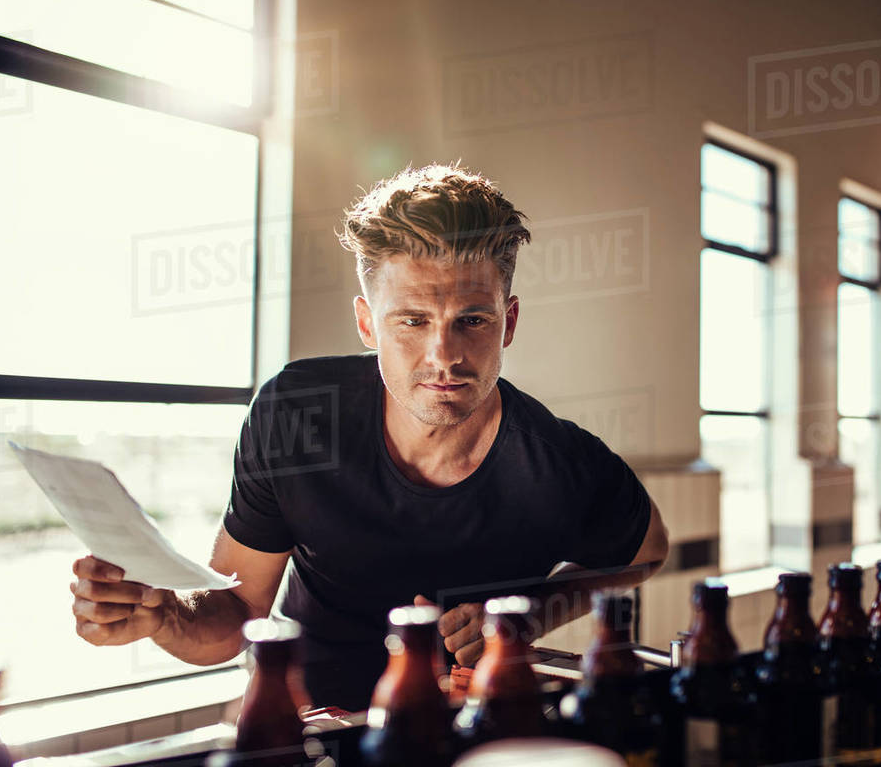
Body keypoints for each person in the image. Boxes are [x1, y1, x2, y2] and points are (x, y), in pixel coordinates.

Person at [68, 163, 670, 711]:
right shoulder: (296, 413)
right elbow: (239, 613)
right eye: (412, 321)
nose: (444, 355)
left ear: (507, 322)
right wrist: (166, 614)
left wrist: (530, 613)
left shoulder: (559, 463)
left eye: (472, 320)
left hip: (462, 736)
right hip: (308, 727)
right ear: (366, 323)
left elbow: (648, 551)